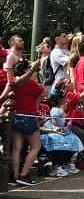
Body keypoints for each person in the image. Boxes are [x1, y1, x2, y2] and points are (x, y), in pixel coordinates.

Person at [10, 58, 47, 186]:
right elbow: (44, 92)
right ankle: (24, 174)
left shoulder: (15, 82)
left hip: (16, 116)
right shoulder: (31, 84)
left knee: (16, 148)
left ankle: (14, 176)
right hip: (28, 117)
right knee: (36, 146)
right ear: (26, 70)